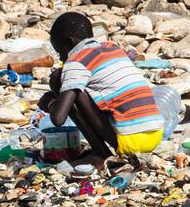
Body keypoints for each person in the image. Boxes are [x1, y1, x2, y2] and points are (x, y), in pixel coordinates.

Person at [38, 11, 163, 172]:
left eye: (60, 52)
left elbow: (58, 119)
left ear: (69, 42)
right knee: (68, 85)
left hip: (130, 140)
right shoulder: (112, 48)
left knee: (61, 81)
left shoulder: (76, 61)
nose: (62, 58)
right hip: (155, 134)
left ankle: (99, 154)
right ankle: (101, 151)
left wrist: (49, 103)